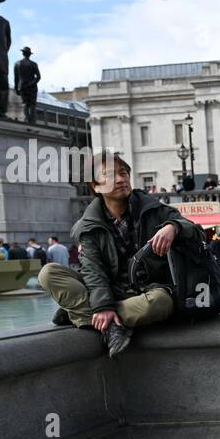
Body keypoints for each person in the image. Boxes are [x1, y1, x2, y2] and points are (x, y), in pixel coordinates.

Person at [38, 152, 200, 357]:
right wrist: (104, 304)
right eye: (110, 175)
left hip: (148, 291)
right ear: (95, 187)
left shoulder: (153, 209)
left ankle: (83, 315)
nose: (120, 179)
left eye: (123, 173)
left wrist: (173, 227)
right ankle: (113, 324)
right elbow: (93, 272)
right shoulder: (88, 227)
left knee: (160, 302)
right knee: (48, 273)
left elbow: (195, 230)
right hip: (109, 289)